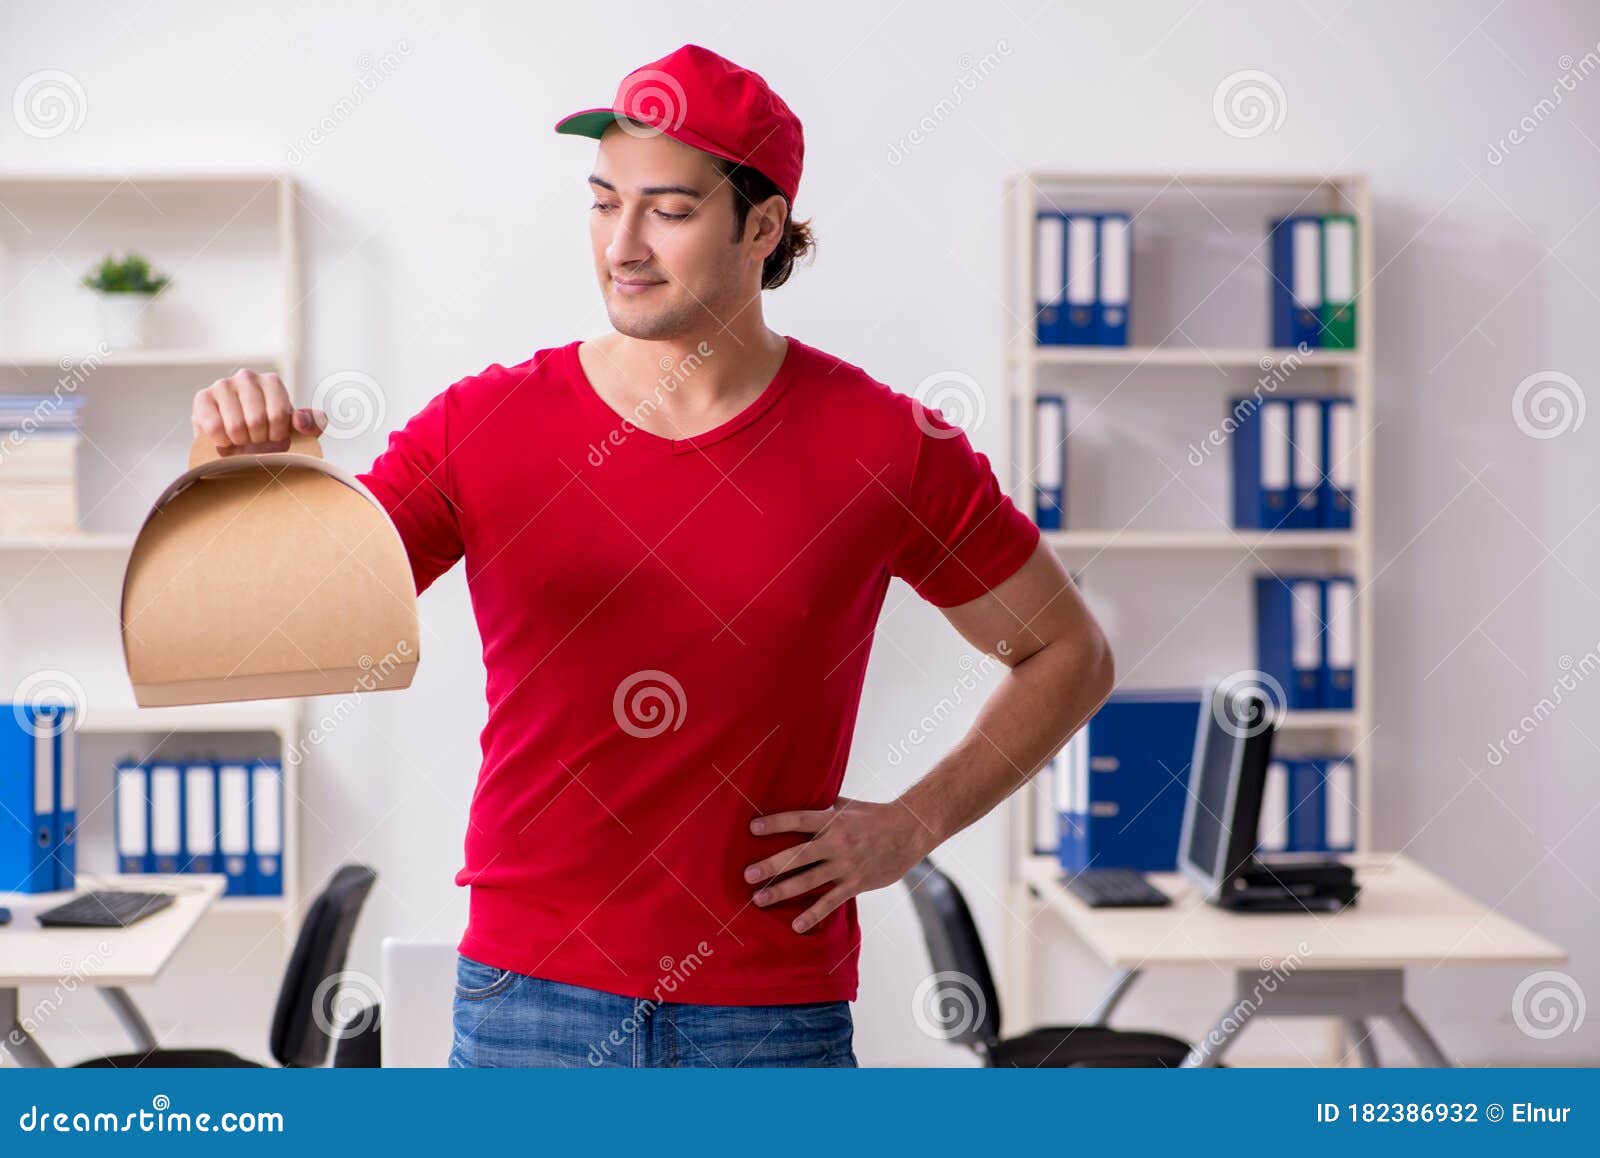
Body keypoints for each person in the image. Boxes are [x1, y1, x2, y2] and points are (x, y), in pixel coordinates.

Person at [191, 43, 1112, 1068]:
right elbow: (288, 628)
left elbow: (1066, 653)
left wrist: (912, 824)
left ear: (761, 228)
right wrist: (245, 479)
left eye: (667, 211)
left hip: (770, 1019)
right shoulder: (484, 425)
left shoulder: (889, 445)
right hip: (527, 1006)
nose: (621, 244)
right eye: (602, 202)